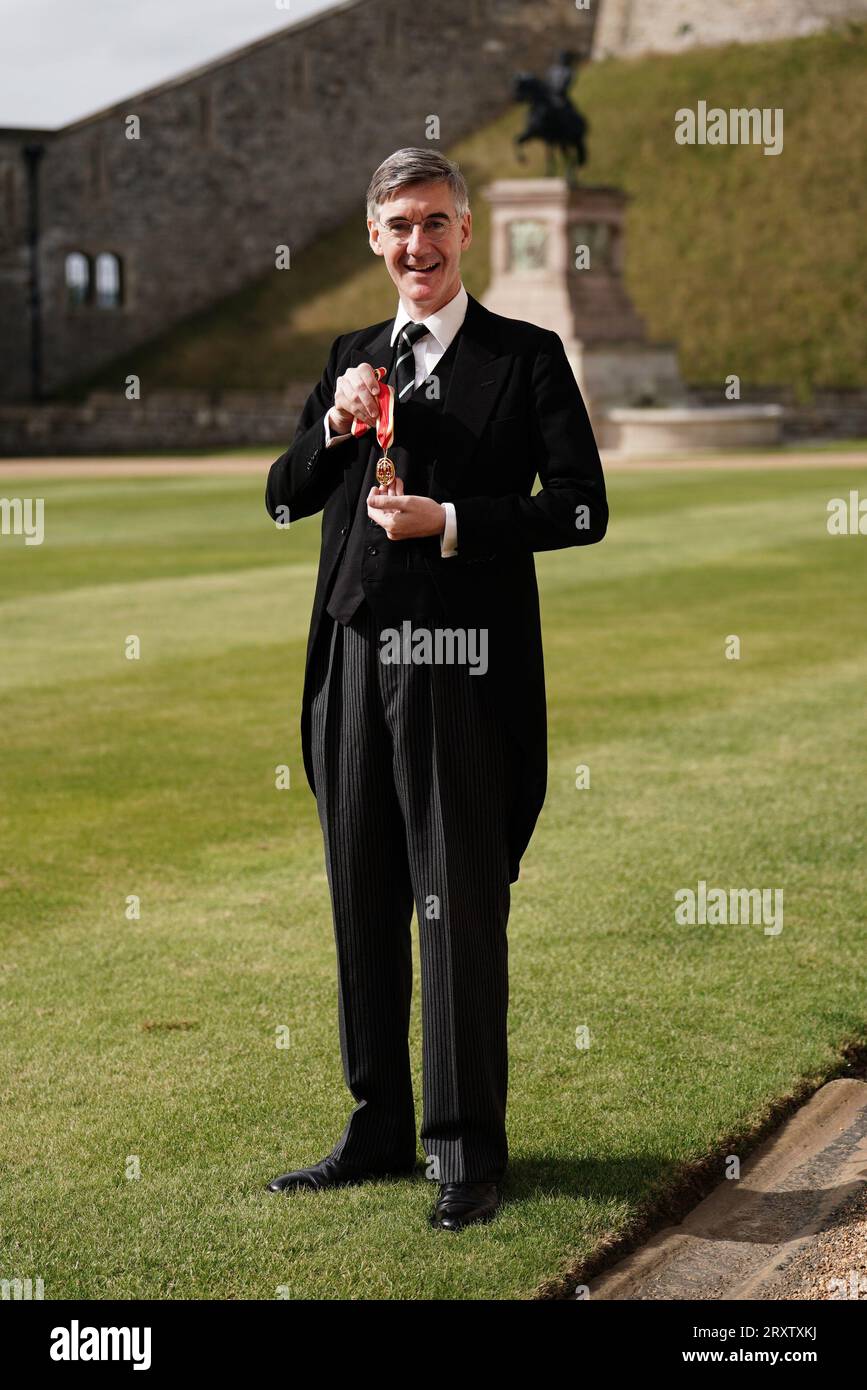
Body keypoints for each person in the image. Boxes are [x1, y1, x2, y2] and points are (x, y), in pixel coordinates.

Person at [264, 147, 608, 1231]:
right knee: (362, 891)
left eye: (435, 222)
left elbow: (583, 507)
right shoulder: (351, 354)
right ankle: (376, 1126)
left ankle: (464, 1149)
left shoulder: (526, 356)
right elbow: (282, 499)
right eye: (398, 225)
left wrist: (451, 523)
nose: (417, 243)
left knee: (454, 900)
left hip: (462, 667)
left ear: (467, 233)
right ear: (374, 237)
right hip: (354, 662)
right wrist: (332, 422)